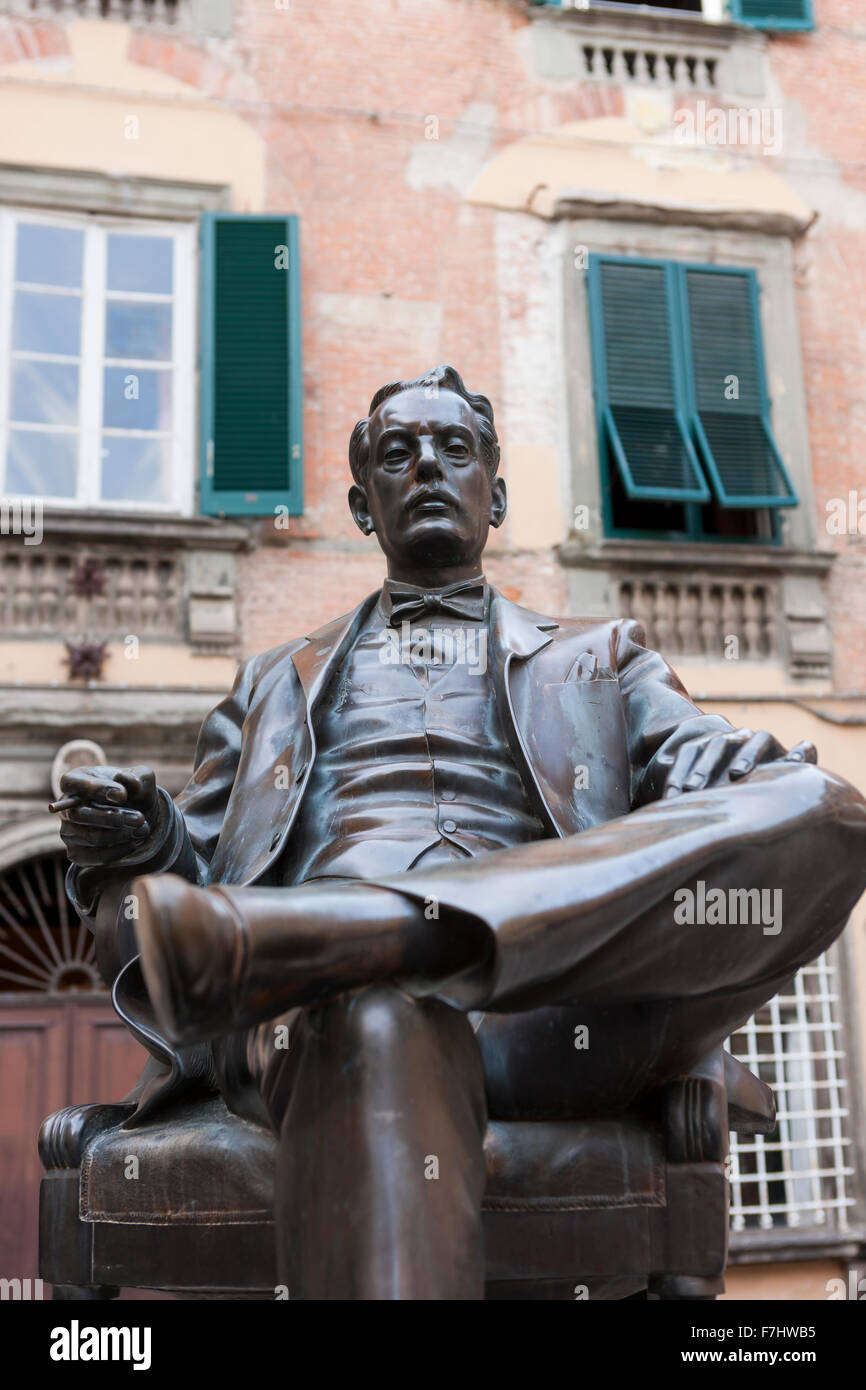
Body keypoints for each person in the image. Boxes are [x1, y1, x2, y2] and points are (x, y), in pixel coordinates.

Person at [56, 366, 866, 1299]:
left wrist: (745, 785)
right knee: (376, 1010)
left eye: (456, 449)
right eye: (399, 454)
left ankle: (367, 936)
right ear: (364, 507)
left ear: (498, 493)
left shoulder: (602, 658)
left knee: (829, 807)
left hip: (552, 1013)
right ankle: (365, 953)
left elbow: (735, 774)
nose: (430, 468)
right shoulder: (269, 683)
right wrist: (146, 836)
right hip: (308, 1018)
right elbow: (188, 872)